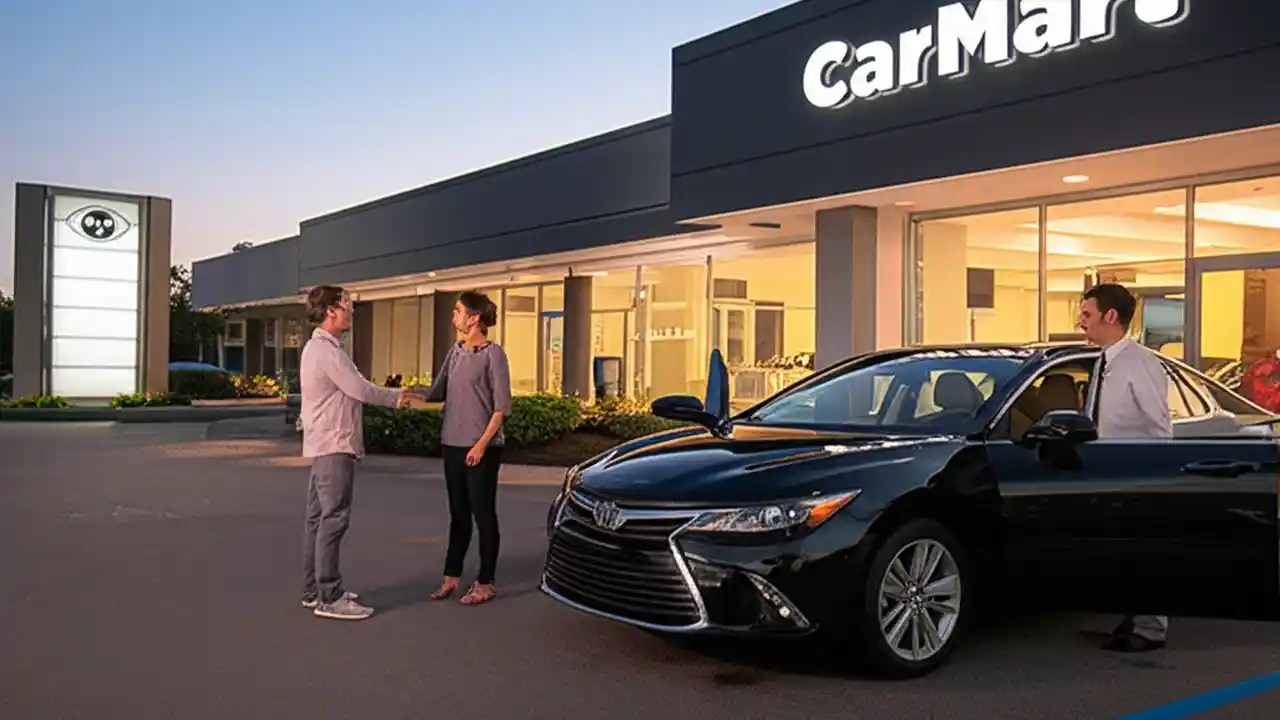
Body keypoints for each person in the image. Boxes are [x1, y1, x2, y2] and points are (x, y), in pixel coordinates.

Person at [299, 285, 411, 621]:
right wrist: (397, 397)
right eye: (347, 305)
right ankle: (329, 597)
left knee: (318, 521)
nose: (352, 311)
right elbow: (359, 388)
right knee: (333, 520)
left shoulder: (321, 348)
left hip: (324, 445)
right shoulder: (327, 352)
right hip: (334, 446)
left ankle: (313, 591)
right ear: (331, 310)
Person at [1078, 282, 1172, 652]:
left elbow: (1159, 425)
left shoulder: (1141, 364)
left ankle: (1150, 629)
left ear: (1110, 316)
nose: (1081, 323)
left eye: (1087, 315)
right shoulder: (1103, 362)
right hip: (1108, 472)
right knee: (1123, 555)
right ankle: (1130, 621)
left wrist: (1154, 477)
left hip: (1138, 473)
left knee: (1144, 553)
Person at [409, 290, 512, 606]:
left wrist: (481, 445)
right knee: (458, 515)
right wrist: (400, 396)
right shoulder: (455, 352)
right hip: (452, 443)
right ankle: (451, 577)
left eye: (457, 311)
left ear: (474, 318)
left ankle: (485, 582)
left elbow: (501, 407)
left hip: (482, 447)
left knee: (483, 514)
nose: (453, 316)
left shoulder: (493, 354)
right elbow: (436, 391)